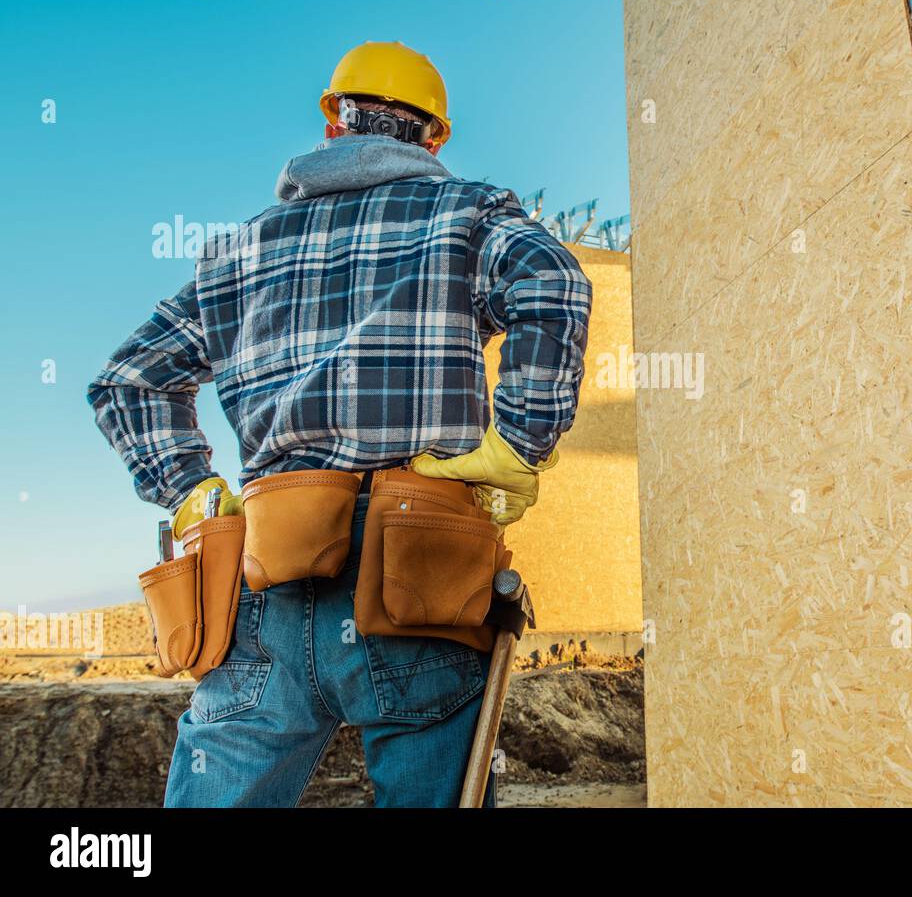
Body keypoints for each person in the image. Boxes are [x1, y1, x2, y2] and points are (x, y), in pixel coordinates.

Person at [87, 41, 592, 807]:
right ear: (433, 138)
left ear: (333, 125)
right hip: (420, 571)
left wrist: (191, 491)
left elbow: (128, 380)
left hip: (270, 574)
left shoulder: (239, 250)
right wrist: (516, 447)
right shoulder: (465, 211)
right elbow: (552, 283)